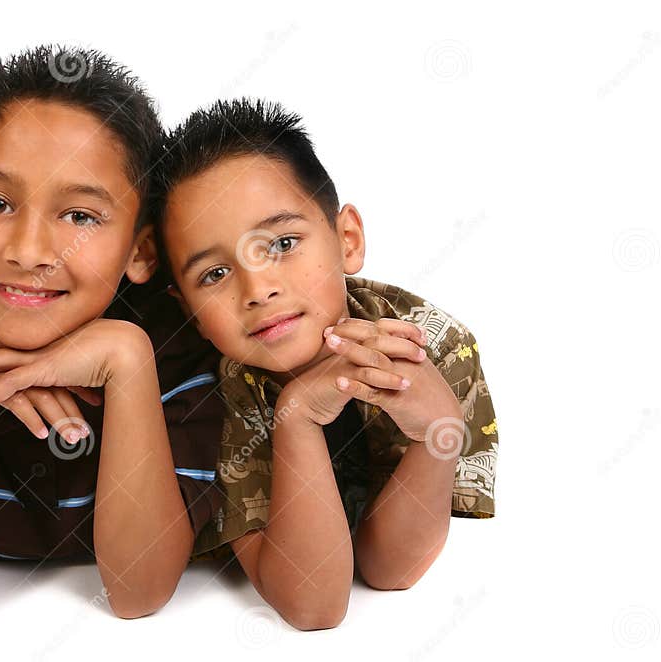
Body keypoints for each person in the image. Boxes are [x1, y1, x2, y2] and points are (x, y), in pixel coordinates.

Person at [0, 45, 225, 628]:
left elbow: (137, 592)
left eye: (80, 216)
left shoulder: (178, 341)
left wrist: (127, 363)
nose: (28, 252)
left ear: (141, 249)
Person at [151, 98, 499, 630]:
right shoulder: (204, 395)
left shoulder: (433, 348)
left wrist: (437, 437)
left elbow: (388, 571)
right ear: (189, 311)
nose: (259, 288)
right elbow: (313, 606)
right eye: (215, 275)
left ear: (347, 241)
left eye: (283, 243)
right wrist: (297, 418)